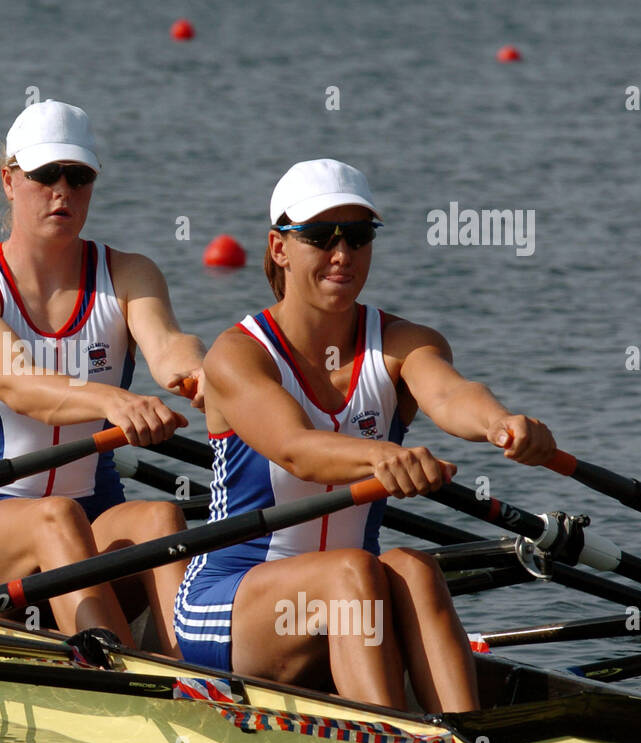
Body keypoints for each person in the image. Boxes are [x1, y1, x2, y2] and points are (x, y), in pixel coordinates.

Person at [174, 159, 556, 712]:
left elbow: (451, 395)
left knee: (414, 568)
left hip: (352, 601)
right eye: (320, 237)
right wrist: (383, 457)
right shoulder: (237, 354)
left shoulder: (403, 341)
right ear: (279, 247)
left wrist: (502, 423)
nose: (341, 255)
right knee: (352, 570)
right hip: (228, 602)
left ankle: (471, 739)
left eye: (357, 237)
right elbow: (297, 450)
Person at [0, 100, 206, 655]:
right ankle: (127, 685)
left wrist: (207, 378)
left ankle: (195, 678)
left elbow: (170, 348)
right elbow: (17, 384)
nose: (63, 191)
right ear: (9, 181)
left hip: (96, 519)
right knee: (54, 516)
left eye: (78, 176)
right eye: (44, 175)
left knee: (159, 516)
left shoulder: (128, 273)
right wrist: (114, 400)